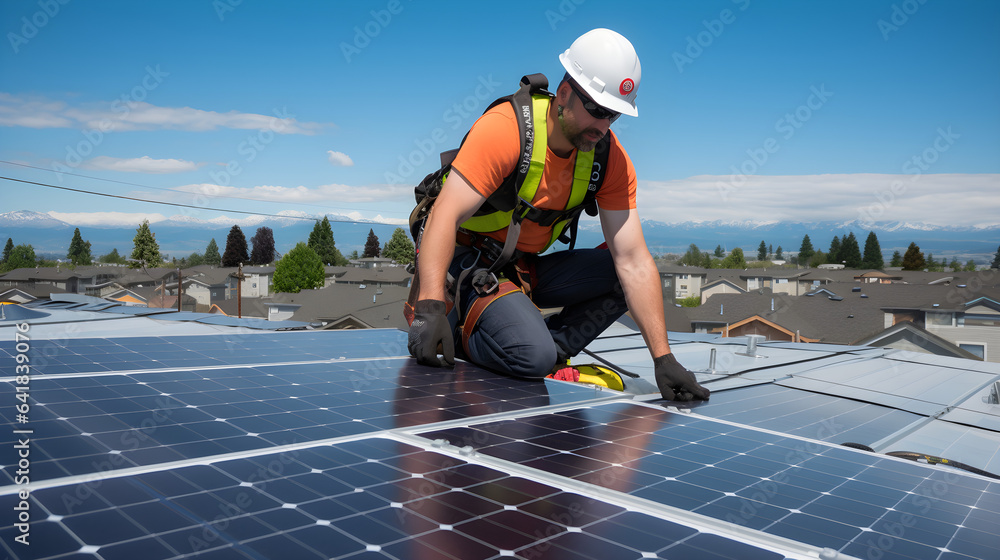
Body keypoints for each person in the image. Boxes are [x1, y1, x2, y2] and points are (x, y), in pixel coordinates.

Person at [407, 28, 709, 402]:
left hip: (521, 268)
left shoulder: (609, 159)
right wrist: (431, 308)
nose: (602, 126)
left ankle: (539, 347)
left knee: (618, 276)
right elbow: (443, 216)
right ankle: (492, 338)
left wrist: (663, 360)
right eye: (597, 110)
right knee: (529, 355)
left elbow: (633, 260)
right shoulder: (506, 130)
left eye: (613, 115)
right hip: (465, 264)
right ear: (565, 93)